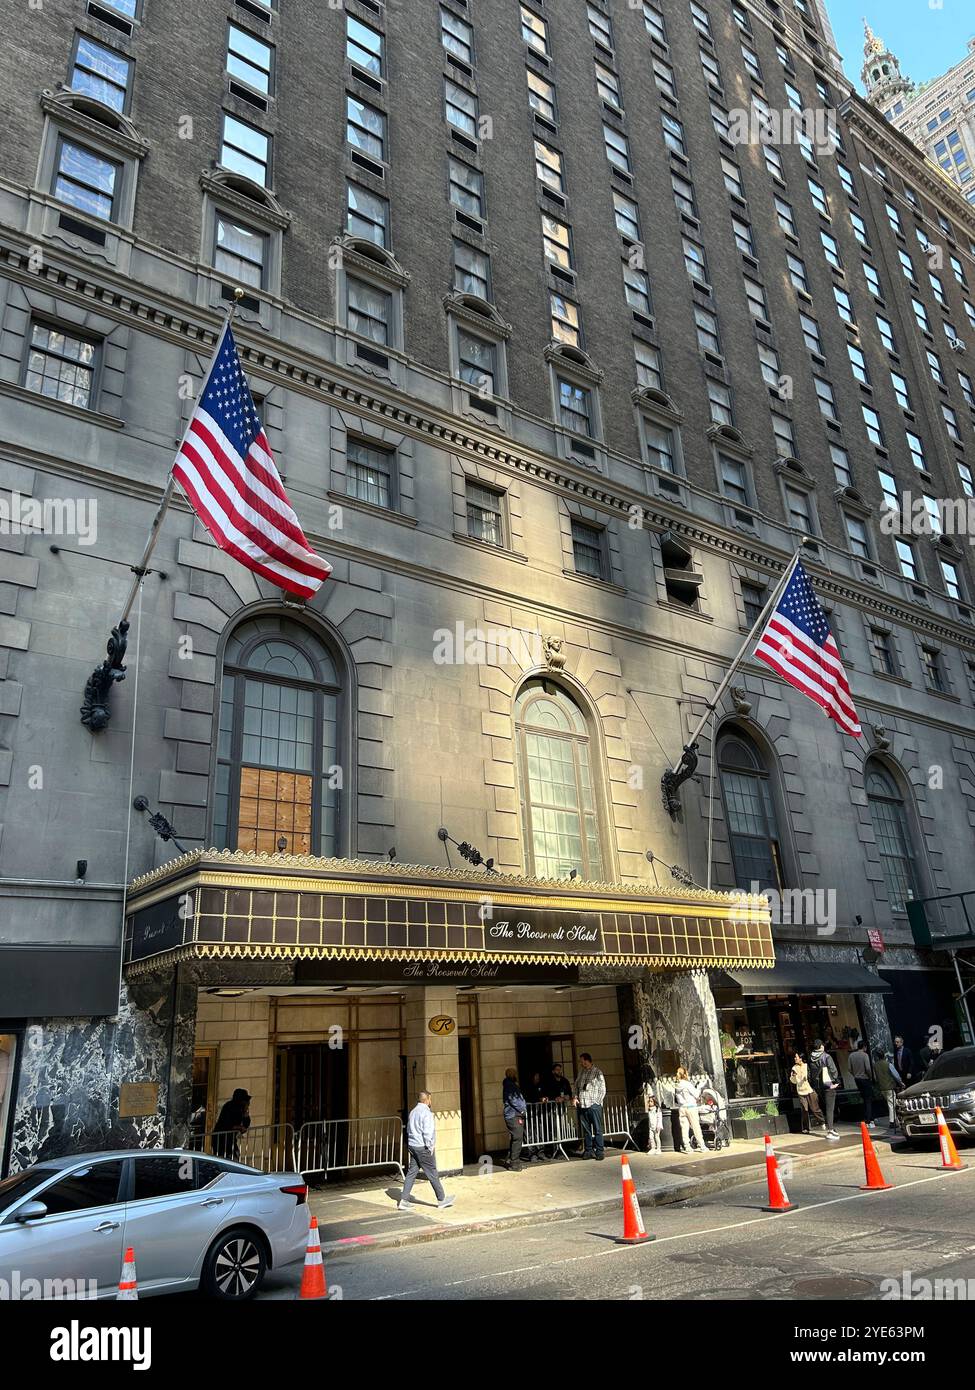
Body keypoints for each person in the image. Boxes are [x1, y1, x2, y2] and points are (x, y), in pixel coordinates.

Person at [398, 1090, 454, 1210]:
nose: (431, 1101)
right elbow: (428, 1133)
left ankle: (403, 1200)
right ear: (427, 1100)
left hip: (413, 1146)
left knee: (411, 1173)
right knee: (432, 1172)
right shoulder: (426, 1113)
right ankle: (442, 1199)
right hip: (422, 1147)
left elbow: (408, 1129)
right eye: (430, 1099)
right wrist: (430, 1147)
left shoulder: (413, 1112)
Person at [573, 1053, 607, 1160]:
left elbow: (602, 1089)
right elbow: (576, 1085)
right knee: (586, 1130)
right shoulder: (581, 1072)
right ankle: (588, 1150)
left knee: (597, 1129)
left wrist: (596, 1102)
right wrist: (575, 1097)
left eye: (581, 1061)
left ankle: (599, 1151)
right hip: (583, 1105)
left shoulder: (597, 1072)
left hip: (593, 1105)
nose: (580, 1063)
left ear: (587, 1060)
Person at [809, 1039, 841, 1139]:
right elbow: (833, 1070)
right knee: (830, 1108)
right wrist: (836, 1082)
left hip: (818, 1086)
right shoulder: (826, 1056)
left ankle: (830, 1128)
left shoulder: (810, 1058)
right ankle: (830, 1130)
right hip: (828, 1085)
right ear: (821, 1046)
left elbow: (810, 1073)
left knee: (825, 1106)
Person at [789, 1051, 826, 1135]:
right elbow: (793, 1081)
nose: (795, 1059)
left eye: (796, 1057)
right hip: (801, 1091)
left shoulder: (806, 1066)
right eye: (795, 1057)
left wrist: (808, 1077)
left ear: (801, 1058)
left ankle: (822, 1121)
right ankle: (806, 1128)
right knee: (804, 1110)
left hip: (809, 1090)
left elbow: (812, 1076)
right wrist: (793, 1077)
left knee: (814, 1108)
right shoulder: (794, 1068)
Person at [673, 1067, 708, 1154]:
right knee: (696, 1126)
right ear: (685, 1074)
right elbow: (696, 1094)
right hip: (691, 1107)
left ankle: (687, 1147)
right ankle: (702, 1146)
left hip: (682, 1108)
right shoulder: (687, 1084)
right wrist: (699, 1087)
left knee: (684, 1128)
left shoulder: (677, 1085)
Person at [212, 1087, 251, 1160]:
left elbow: (246, 1125)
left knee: (234, 1156)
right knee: (224, 1158)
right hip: (221, 1138)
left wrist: (246, 1114)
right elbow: (227, 1124)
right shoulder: (229, 1106)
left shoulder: (241, 1109)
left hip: (230, 1139)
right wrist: (239, 1127)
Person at [502, 1068, 527, 1171]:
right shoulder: (510, 1085)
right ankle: (514, 1163)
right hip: (513, 1115)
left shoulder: (509, 1085)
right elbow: (514, 1100)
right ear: (512, 1075)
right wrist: (522, 1110)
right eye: (515, 1073)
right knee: (517, 1138)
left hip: (513, 1114)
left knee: (515, 1138)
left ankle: (513, 1161)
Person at [848, 1038, 877, 1129]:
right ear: (864, 1047)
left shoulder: (851, 1055)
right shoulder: (865, 1055)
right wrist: (871, 1077)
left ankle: (868, 1117)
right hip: (865, 1078)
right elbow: (868, 1068)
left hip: (857, 1079)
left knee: (864, 1099)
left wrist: (855, 1074)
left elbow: (849, 1068)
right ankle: (869, 1120)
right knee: (868, 1099)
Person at [873, 1048, 902, 1130]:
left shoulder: (875, 1066)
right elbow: (896, 1075)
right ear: (884, 1055)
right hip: (890, 1087)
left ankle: (895, 1120)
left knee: (891, 1103)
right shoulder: (888, 1064)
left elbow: (875, 1078)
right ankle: (892, 1122)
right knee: (892, 1105)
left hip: (882, 1088)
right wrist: (901, 1083)